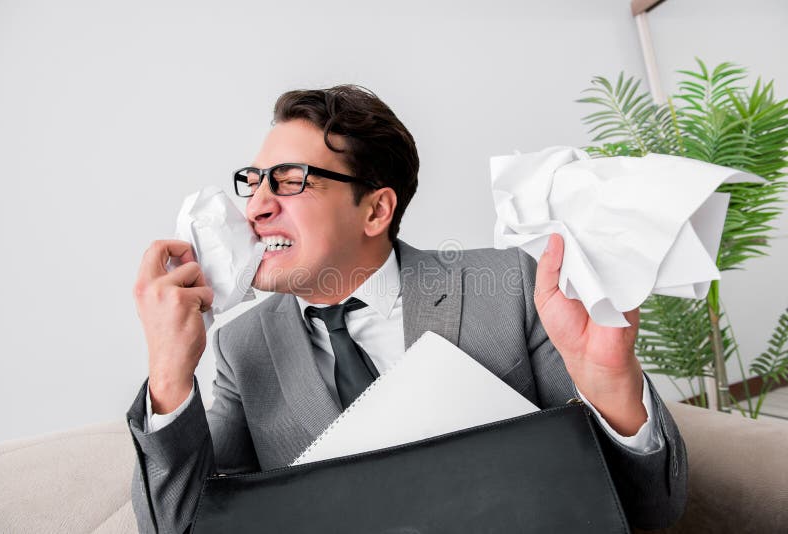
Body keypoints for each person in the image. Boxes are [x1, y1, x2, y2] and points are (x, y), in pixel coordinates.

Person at [128, 85, 687, 533]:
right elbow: (184, 526)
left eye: (290, 181)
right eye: (252, 183)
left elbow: (650, 512)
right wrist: (169, 374)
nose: (257, 206)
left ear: (375, 210)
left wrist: (612, 385)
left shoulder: (510, 284)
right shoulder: (241, 347)